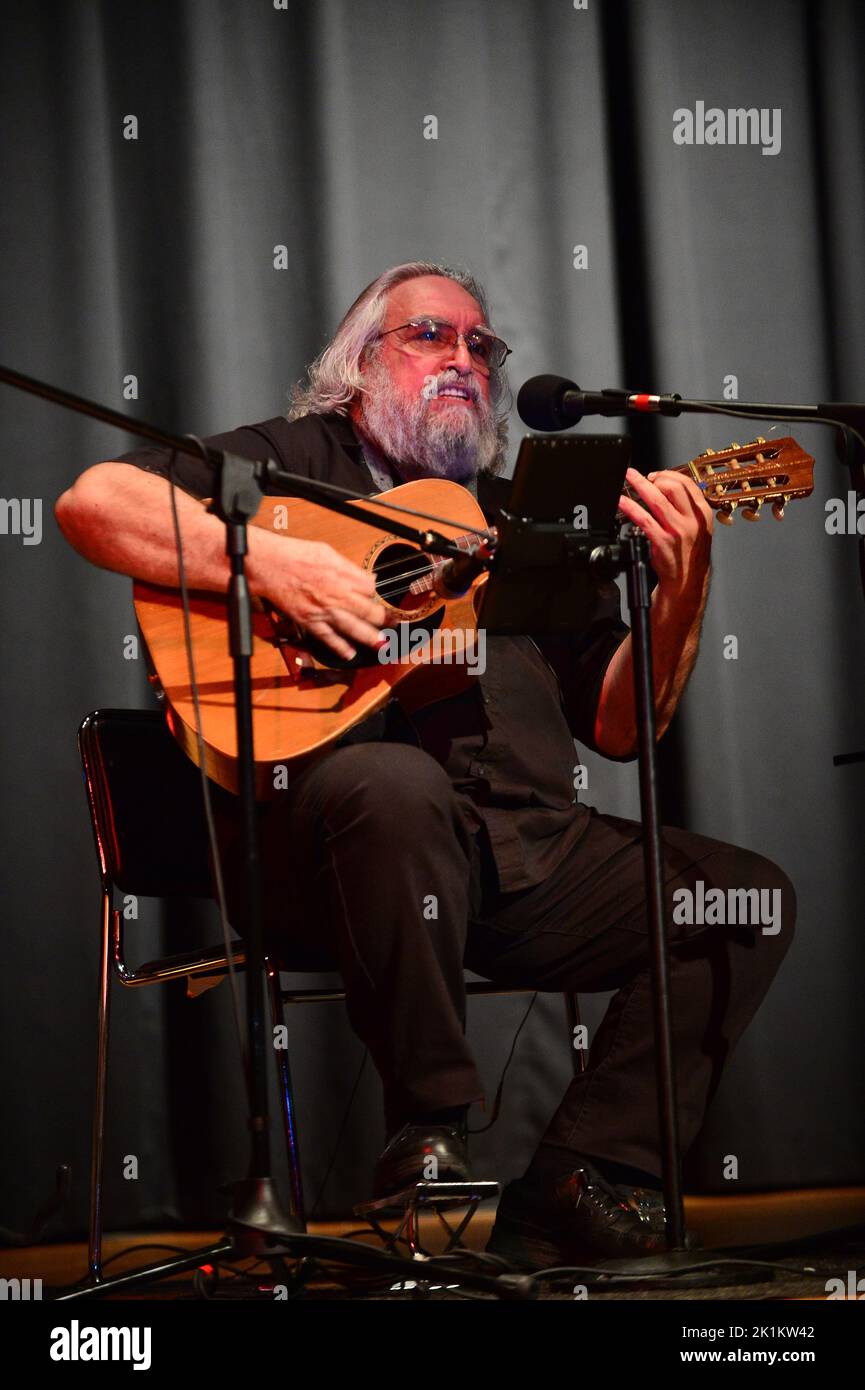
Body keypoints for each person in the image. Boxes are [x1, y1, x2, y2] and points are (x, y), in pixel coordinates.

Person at [55, 260, 795, 1270]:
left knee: (742, 900)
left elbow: (621, 730)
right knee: (394, 786)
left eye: (479, 346)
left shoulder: (522, 519)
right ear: (358, 366)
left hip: (523, 854)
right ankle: (428, 1139)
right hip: (332, 851)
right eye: (429, 336)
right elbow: (94, 503)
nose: (463, 360)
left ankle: (580, 1180)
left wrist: (682, 591)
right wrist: (273, 561)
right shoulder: (286, 462)